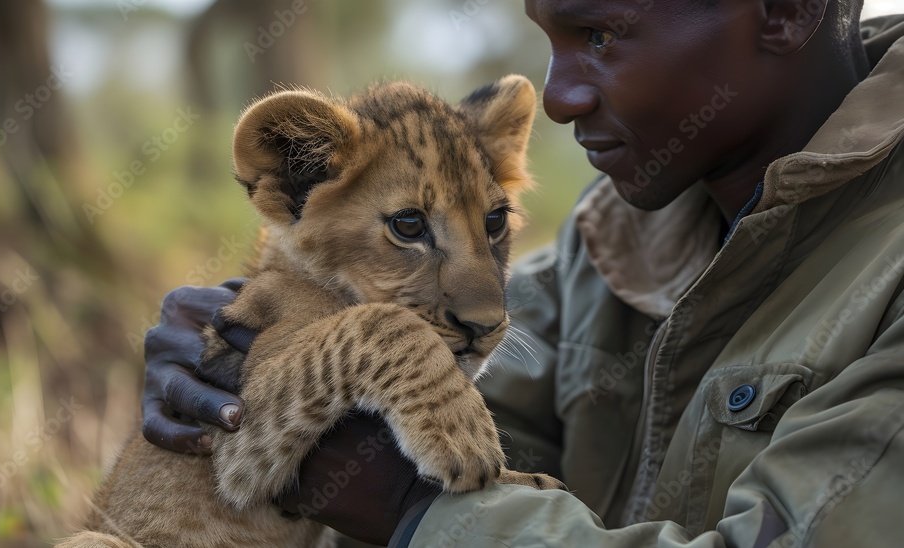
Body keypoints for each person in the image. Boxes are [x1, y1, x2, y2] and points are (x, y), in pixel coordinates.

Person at [140, 1, 904, 545]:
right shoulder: (614, 237)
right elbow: (439, 417)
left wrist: (416, 512)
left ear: (784, 9)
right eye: (550, 36)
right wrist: (244, 357)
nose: (561, 98)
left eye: (601, 33)